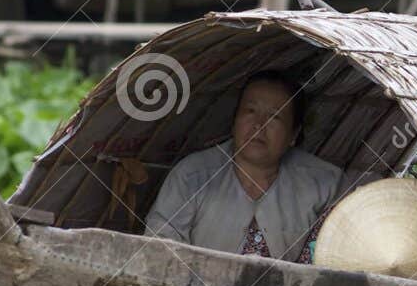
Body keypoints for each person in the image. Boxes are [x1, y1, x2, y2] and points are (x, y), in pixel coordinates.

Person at [145, 73, 342, 262]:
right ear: (234, 121)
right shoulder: (192, 175)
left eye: (274, 116)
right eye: (250, 111)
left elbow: (329, 261)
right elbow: (159, 247)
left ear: (293, 135)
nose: (259, 125)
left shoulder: (325, 183)